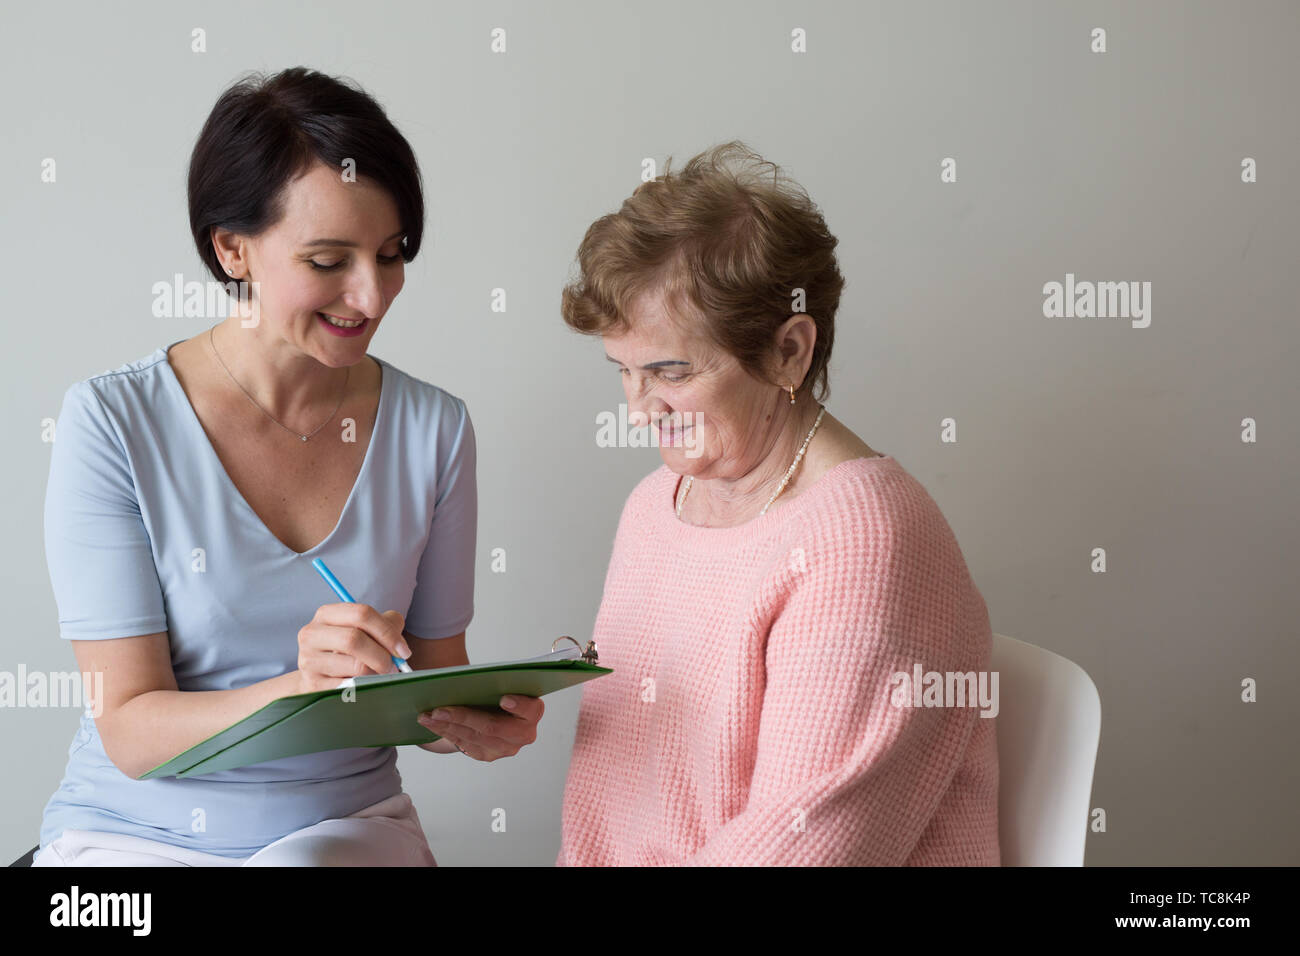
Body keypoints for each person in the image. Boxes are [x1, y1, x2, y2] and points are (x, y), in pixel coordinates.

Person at [34, 67, 544, 867]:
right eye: (329, 259)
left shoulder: (434, 429)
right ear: (233, 249)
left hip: (342, 832)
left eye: (390, 254)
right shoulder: (113, 423)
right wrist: (296, 694)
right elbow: (130, 730)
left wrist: (472, 724)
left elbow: (432, 684)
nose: (371, 296)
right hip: (132, 835)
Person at [555, 142, 1001, 865]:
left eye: (671, 371)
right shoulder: (654, 507)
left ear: (790, 350)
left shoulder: (864, 538)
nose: (638, 411)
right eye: (624, 373)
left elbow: (808, 848)